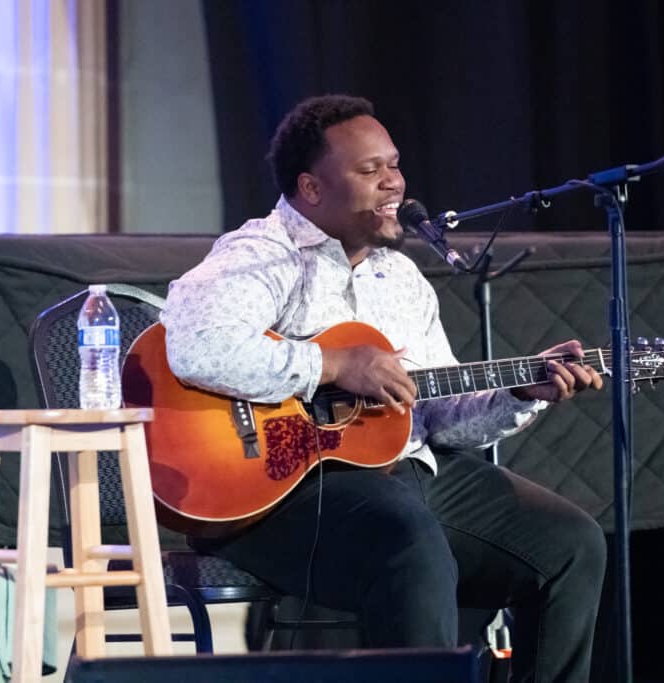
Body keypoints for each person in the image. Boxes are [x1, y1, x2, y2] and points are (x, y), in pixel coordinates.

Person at [160, 94, 608, 683]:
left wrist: (521, 394)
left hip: (408, 474)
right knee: (409, 540)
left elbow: (443, 418)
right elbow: (198, 348)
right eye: (370, 170)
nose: (393, 182)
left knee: (571, 544)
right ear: (311, 188)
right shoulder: (262, 256)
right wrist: (332, 364)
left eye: (393, 165)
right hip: (280, 492)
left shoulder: (399, 276)